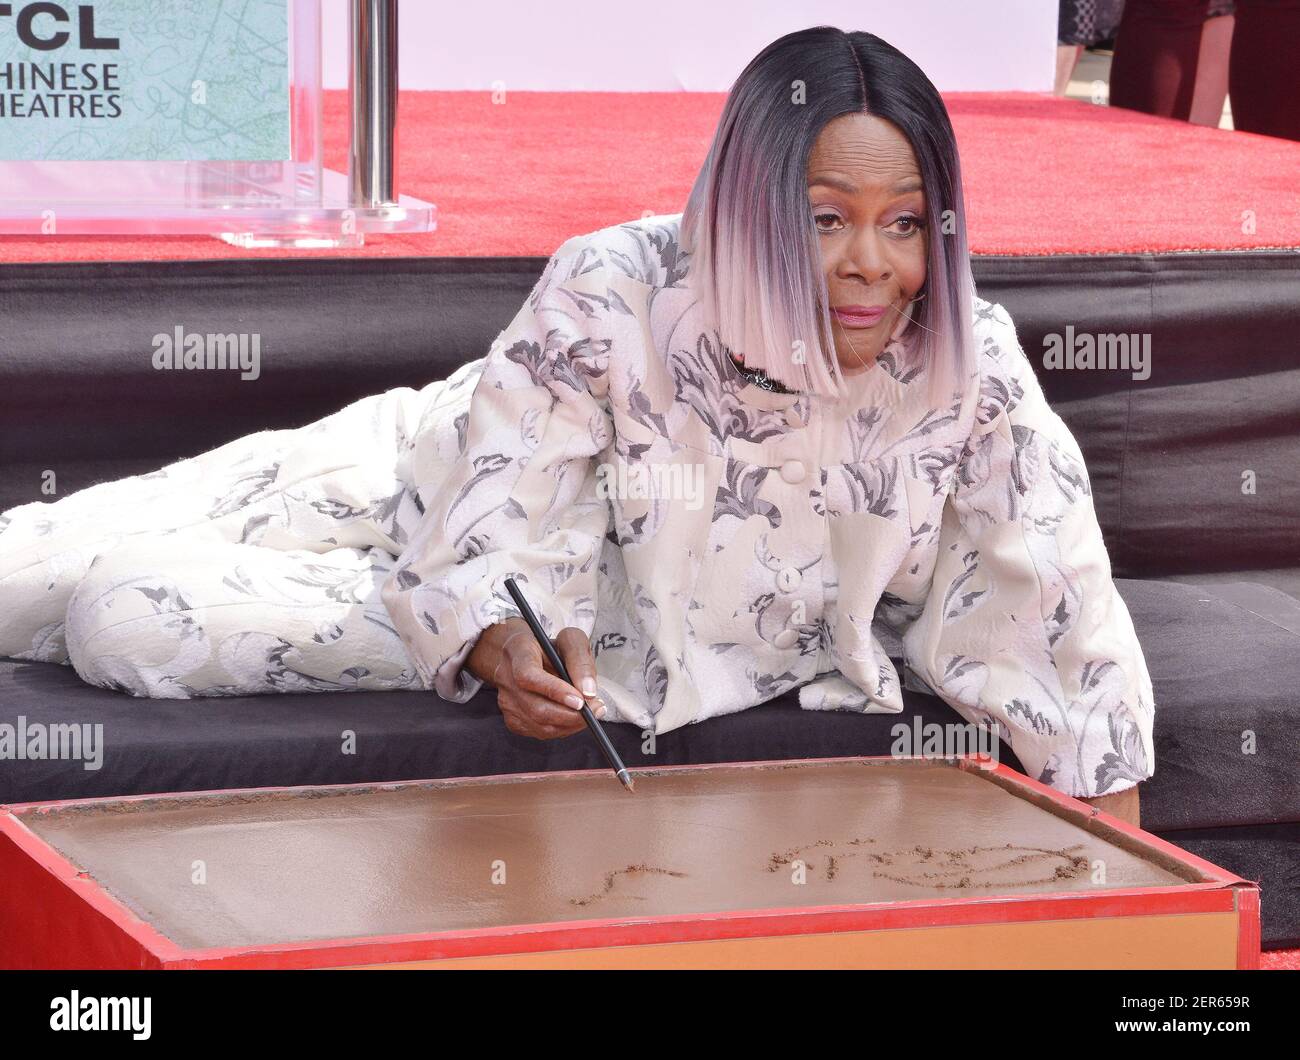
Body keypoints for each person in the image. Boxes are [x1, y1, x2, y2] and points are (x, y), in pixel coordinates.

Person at [0, 27, 1154, 826]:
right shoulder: (614, 285)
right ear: (748, 210)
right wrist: (506, 644)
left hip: (599, 632)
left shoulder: (970, 368)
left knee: (122, 620)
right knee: (19, 569)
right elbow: (498, 516)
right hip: (431, 475)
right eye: (823, 219)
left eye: (905, 222)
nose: (871, 263)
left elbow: (1076, 662)